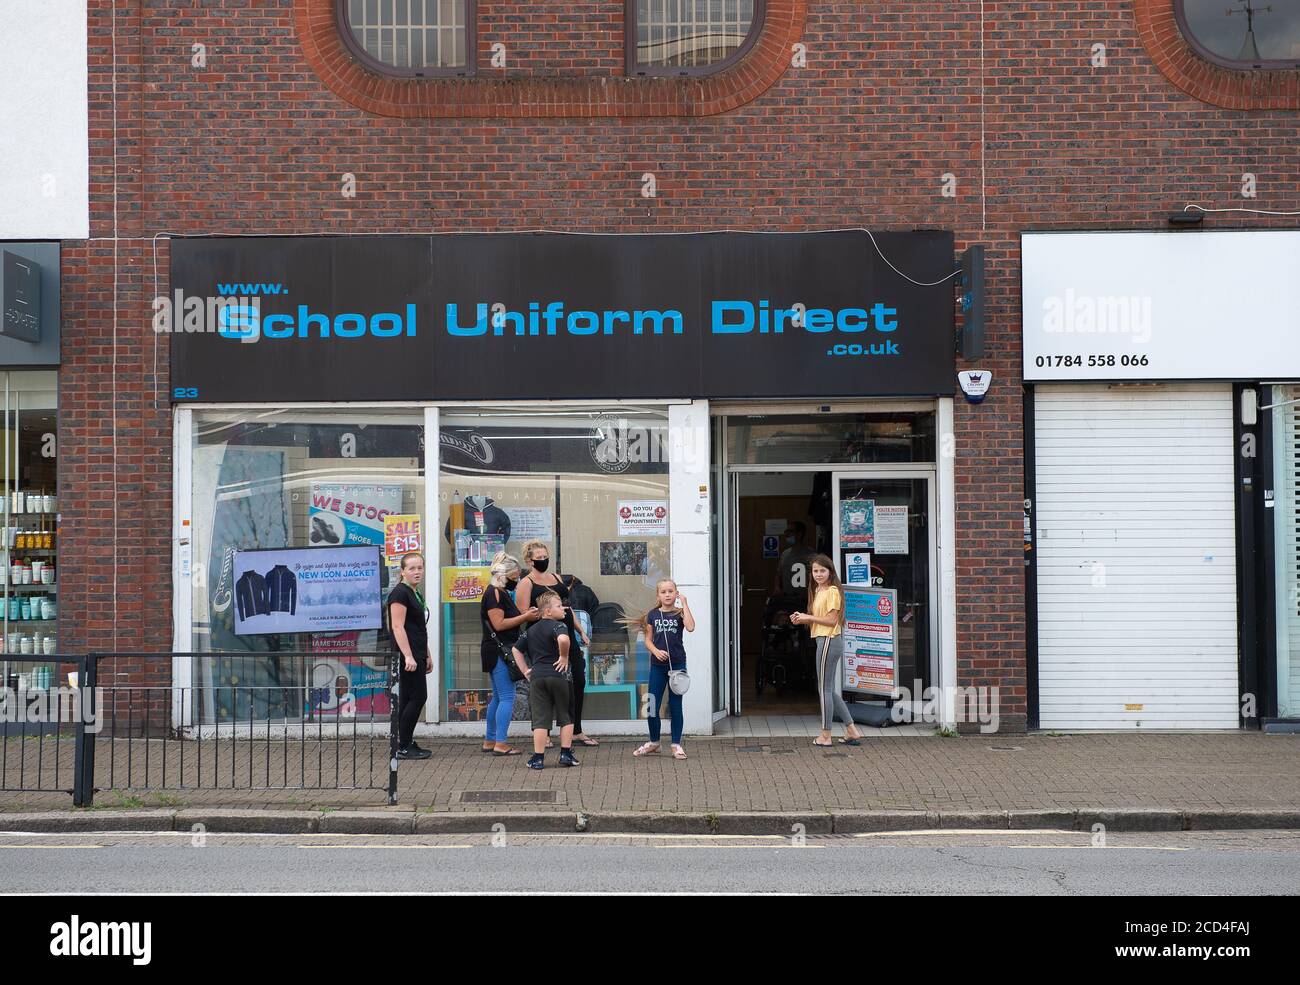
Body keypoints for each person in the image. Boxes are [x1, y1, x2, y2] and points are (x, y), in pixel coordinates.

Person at [516, 540, 596, 746]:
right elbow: (522, 613)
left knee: (578, 680)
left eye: (545, 557)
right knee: (546, 685)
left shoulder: (556, 577)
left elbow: (567, 608)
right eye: (539, 558)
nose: (543, 560)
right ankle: (545, 734)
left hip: (567, 635)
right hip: (544, 640)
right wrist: (542, 615)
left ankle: (576, 730)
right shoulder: (526, 583)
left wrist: (580, 631)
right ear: (529, 560)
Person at [791, 555, 864, 748]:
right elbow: (820, 618)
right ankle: (852, 730)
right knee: (828, 690)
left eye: (822, 571)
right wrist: (803, 618)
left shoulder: (832, 591)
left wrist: (808, 617)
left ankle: (825, 735)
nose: (818, 574)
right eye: (815, 571)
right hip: (826, 641)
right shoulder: (818, 590)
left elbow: (832, 620)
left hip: (829, 641)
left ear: (830, 572)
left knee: (824, 690)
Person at [511, 591, 579, 770]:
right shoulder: (559, 626)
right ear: (548, 612)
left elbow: (516, 650)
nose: (563, 608)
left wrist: (525, 670)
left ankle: (538, 758)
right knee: (566, 715)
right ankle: (565, 754)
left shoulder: (531, 630)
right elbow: (564, 639)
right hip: (560, 676)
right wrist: (563, 656)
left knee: (540, 719)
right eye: (558, 606)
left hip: (538, 677)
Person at [480, 551, 539, 757]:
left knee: (497, 696)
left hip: (494, 649)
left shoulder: (498, 592)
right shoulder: (495, 593)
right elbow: (499, 623)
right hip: (499, 650)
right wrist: (525, 616)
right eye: (514, 577)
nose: (517, 581)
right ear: (504, 575)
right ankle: (501, 742)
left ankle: (490, 739)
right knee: (507, 696)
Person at [633, 579, 696, 761]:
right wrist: (655, 651)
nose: (667, 595)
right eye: (664, 592)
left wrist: (684, 604)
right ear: (658, 595)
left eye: (671, 591)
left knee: (676, 706)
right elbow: (648, 640)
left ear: (676, 593)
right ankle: (654, 742)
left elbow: (691, 627)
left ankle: (676, 744)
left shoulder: (680, 613)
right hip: (658, 667)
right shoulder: (652, 615)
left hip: (677, 666)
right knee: (651, 705)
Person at [387, 552, 432, 760]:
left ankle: (402, 742)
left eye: (420, 568)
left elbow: (418, 627)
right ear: (403, 571)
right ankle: (403, 745)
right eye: (412, 568)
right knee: (418, 697)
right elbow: (397, 626)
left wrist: (427, 654)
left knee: (407, 699)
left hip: (417, 653)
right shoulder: (400, 593)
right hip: (407, 656)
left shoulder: (414, 593)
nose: (417, 572)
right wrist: (408, 656)